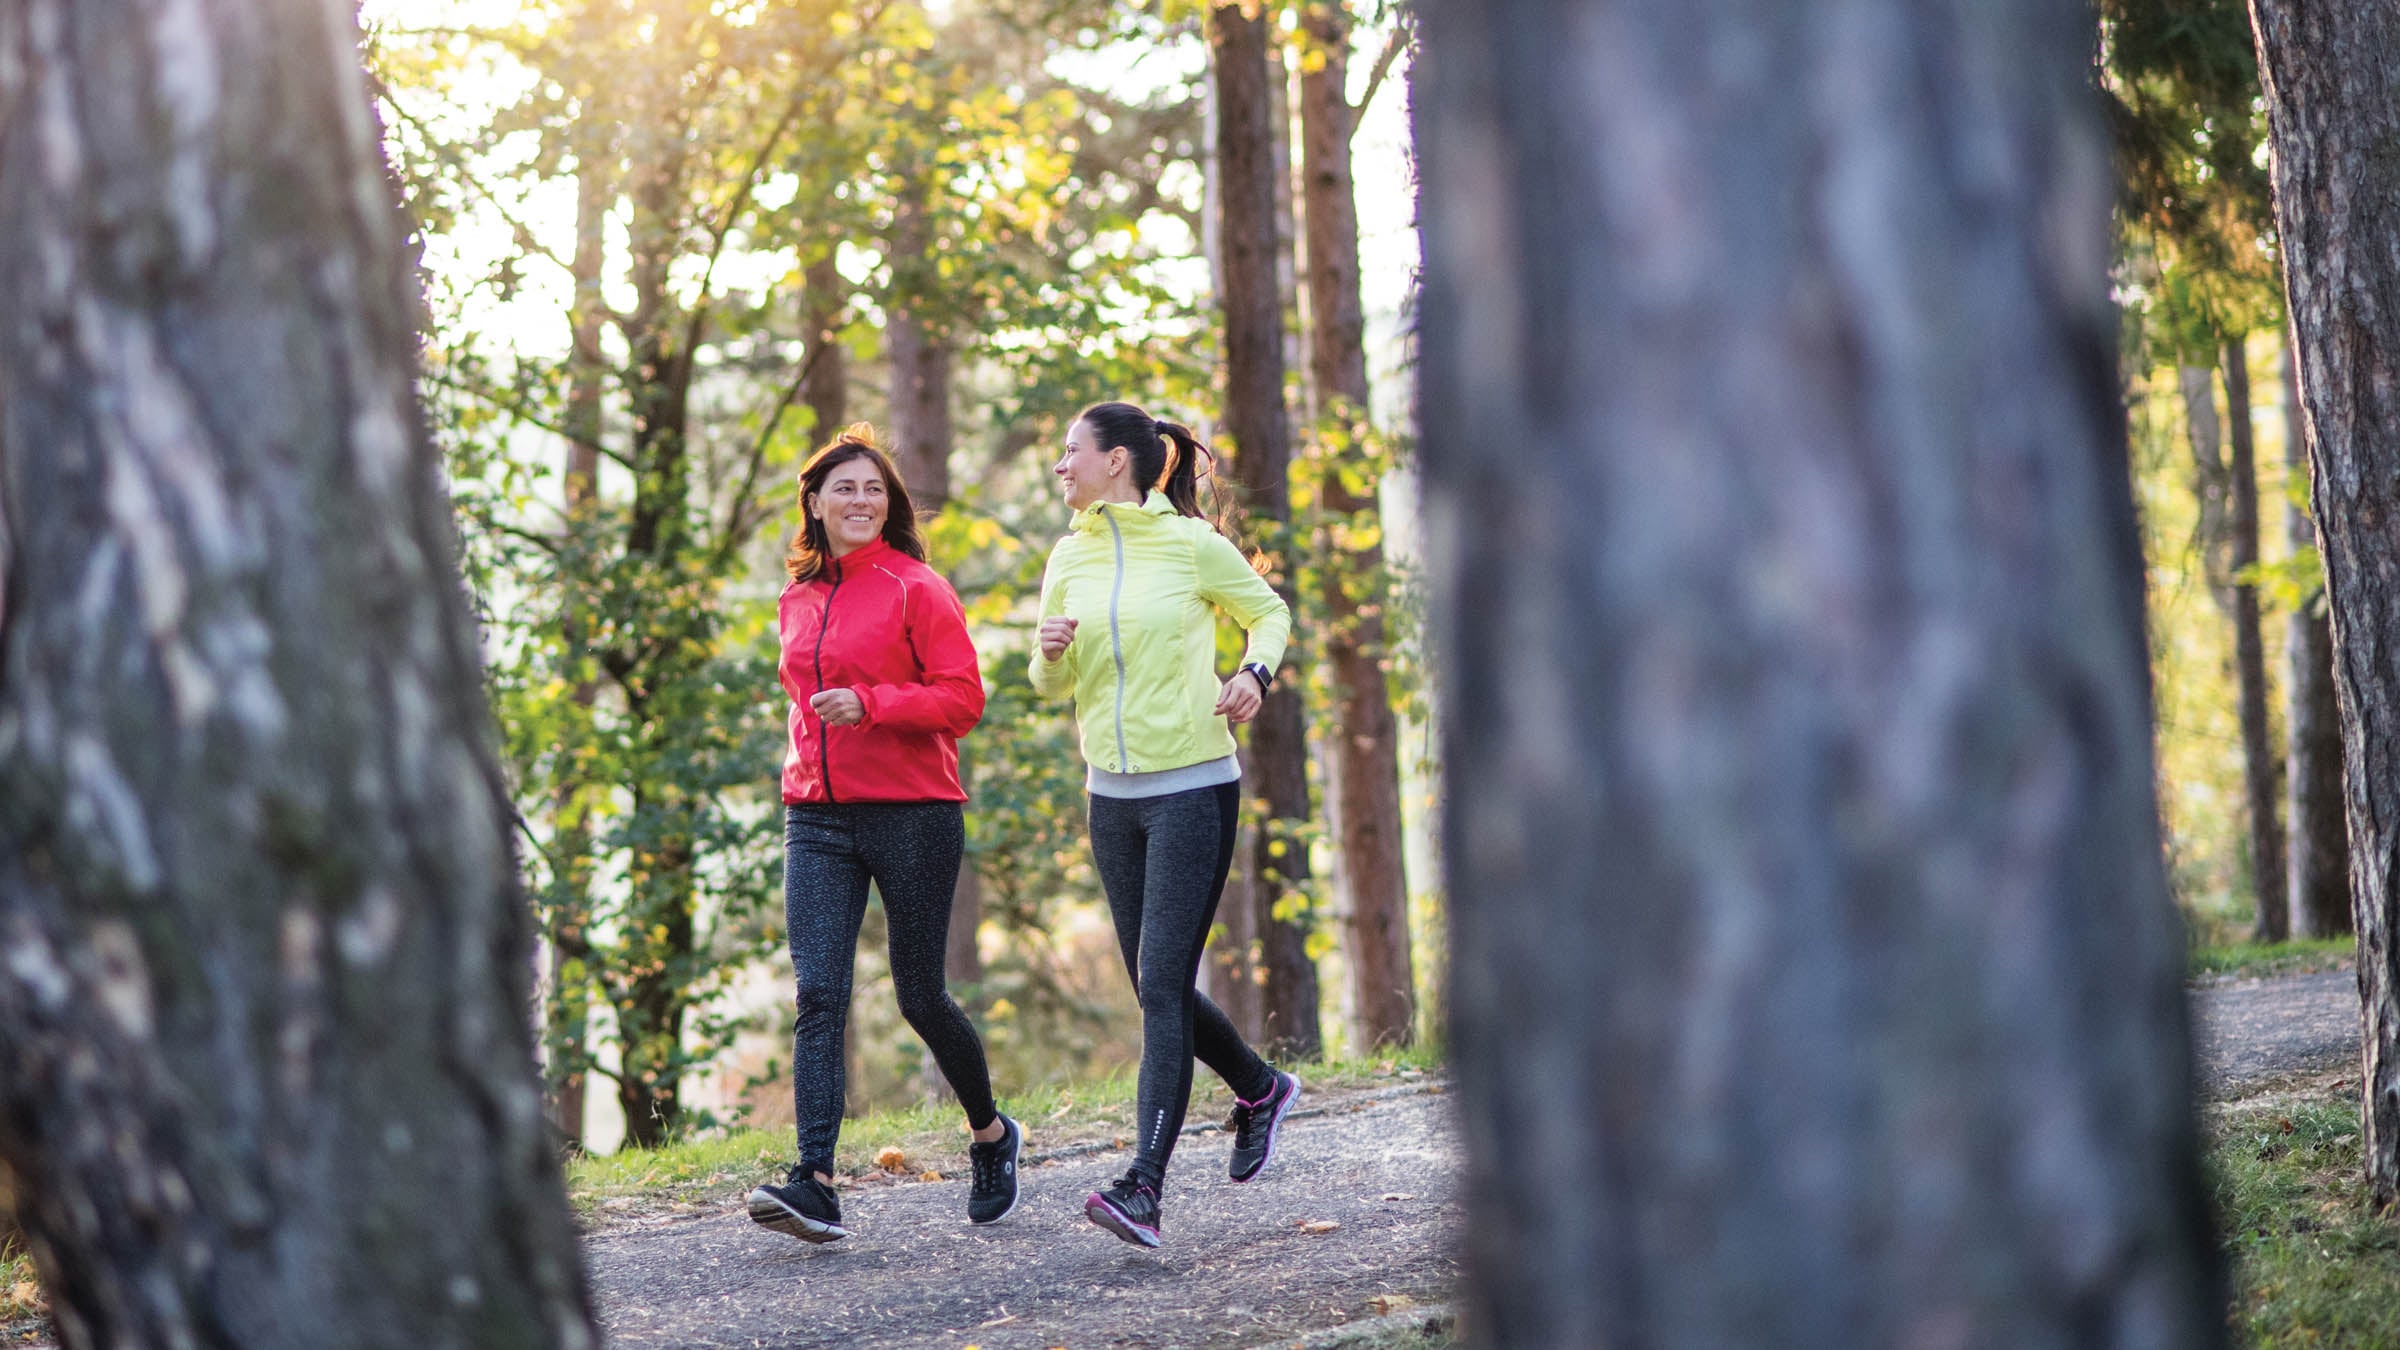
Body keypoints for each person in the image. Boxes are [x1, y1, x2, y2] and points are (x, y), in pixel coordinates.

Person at [1030, 401, 1304, 1248]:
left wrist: (1255, 673)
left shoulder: (1191, 546)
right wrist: (1047, 652)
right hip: (1109, 797)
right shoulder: (1069, 555)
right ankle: (1258, 1089)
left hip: (1191, 786)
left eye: (1072, 451)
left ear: (1118, 461)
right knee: (1161, 985)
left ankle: (1143, 1186)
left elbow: (1272, 614)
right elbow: (1050, 690)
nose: (1061, 465)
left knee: (1157, 985)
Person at [747, 427, 1021, 1243]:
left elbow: (963, 699)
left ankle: (993, 1136)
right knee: (819, 993)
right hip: (816, 818)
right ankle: (817, 1182)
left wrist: (873, 703)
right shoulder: (796, 597)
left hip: (912, 812)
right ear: (816, 503)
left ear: (889, 504)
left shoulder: (917, 587)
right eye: (845, 489)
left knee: (919, 995)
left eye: (873, 489)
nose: (860, 501)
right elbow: (802, 706)